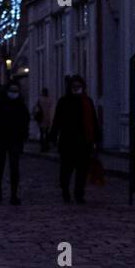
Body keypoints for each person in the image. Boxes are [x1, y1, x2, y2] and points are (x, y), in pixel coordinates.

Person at [51, 74, 99, 204]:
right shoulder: (64, 101)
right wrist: (53, 137)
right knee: (66, 171)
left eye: (79, 86)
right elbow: (57, 121)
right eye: (74, 86)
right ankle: (65, 191)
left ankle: (79, 194)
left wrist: (96, 139)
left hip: (84, 143)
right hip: (68, 142)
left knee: (82, 172)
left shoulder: (87, 101)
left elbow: (93, 121)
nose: (77, 88)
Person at [0, 80, 30, 204]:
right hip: (0, 139)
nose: (14, 93)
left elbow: (25, 120)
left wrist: (23, 135)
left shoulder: (21, 105)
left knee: (14, 167)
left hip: (15, 139)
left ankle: (13, 195)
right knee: (0, 166)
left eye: (16, 91)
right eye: (12, 90)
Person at [35, 87, 55, 153]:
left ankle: (43, 147)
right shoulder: (49, 99)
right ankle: (46, 146)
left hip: (42, 118)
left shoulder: (40, 99)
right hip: (46, 118)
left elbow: (36, 107)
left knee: (42, 134)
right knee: (46, 133)